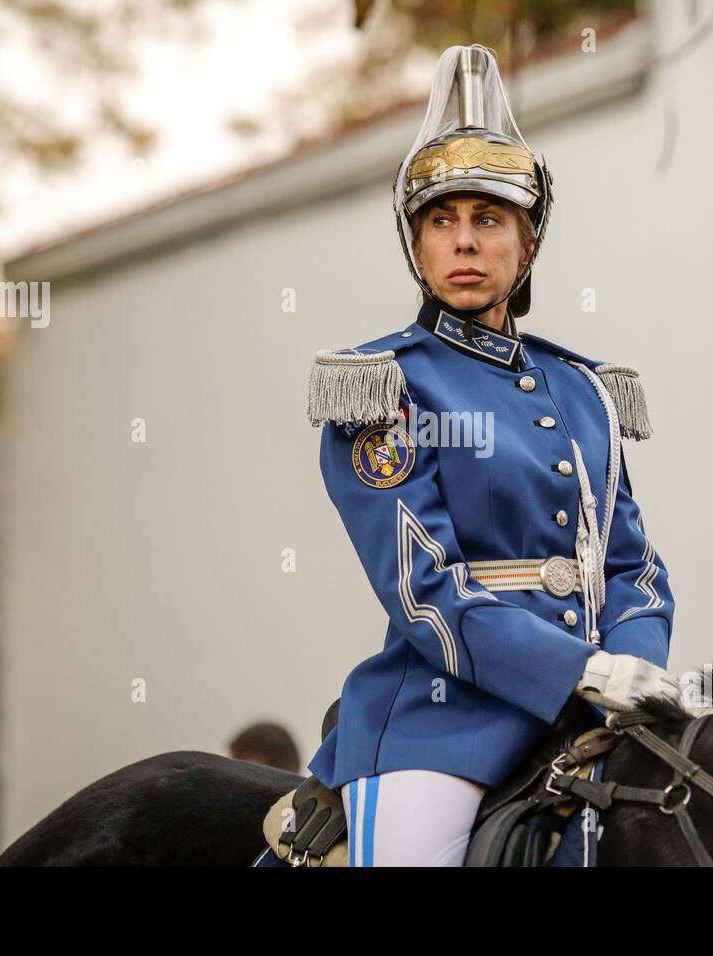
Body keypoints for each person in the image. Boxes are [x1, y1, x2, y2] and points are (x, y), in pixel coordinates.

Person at [293, 44, 678, 867]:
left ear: (527, 245)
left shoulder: (587, 390)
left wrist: (634, 670)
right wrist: (581, 669)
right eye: (442, 222)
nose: (465, 243)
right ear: (417, 245)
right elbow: (423, 591)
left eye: (489, 220)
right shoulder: (381, 387)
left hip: (598, 709)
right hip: (443, 721)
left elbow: (634, 566)